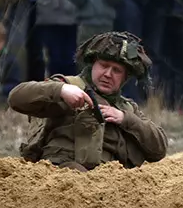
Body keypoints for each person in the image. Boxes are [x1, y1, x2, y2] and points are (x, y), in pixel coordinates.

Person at [9, 31, 167, 171]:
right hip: (63, 175)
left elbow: (159, 149)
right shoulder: (68, 86)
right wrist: (61, 90)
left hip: (111, 184)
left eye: (116, 70)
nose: (108, 74)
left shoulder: (127, 108)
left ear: (124, 78)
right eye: (104, 66)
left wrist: (125, 119)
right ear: (92, 65)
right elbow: (16, 98)